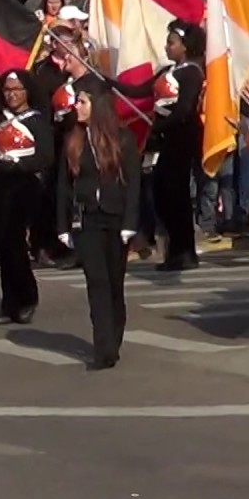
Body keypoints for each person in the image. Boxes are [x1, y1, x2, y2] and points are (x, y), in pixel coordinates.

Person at [58, 89, 141, 371]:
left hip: (116, 221)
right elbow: (63, 187)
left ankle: (114, 337)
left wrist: (131, 223)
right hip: (87, 221)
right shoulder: (73, 140)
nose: (76, 107)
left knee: (114, 283)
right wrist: (63, 225)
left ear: (98, 105)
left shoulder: (123, 139)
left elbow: (133, 184)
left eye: (82, 102)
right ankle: (103, 348)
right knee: (97, 282)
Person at [112, 20, 205, 271]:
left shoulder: (192, 73)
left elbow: (184, 109)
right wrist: (109, 83)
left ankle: (184, 251)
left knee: (176, 195)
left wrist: (158, 128)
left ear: (185, 46)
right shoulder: (166, 70)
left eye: (171, 42)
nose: (166, 47)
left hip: (182, 137)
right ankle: (176, 249)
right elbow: (139, 90)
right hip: (166, 138)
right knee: (163, 194)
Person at [0, 70, 54, 324]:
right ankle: (9, 302)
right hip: (0, 186)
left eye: (17, 90)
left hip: (25, 187)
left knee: (14, 243)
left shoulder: (37, 121)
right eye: (7, 90)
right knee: (2, 244)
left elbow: (46, 157)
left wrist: (18, 166)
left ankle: (27, 297)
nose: (12, 95)